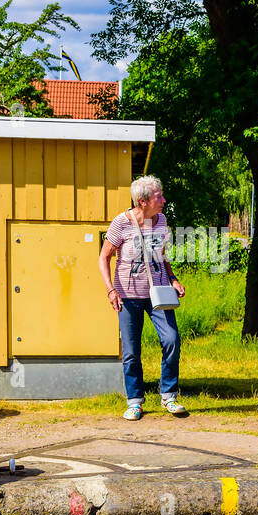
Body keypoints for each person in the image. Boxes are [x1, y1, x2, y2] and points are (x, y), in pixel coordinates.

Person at [98, 175, 187, 421]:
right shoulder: (121, 223)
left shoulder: (162, 221)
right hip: (128, 296)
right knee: (131, 351)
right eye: (159, 196)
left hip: (158, 295)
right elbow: (103, 258)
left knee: (171, 340)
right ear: (142, 201)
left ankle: (169, 396)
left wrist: (173, 279)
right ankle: (135, 401)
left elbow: (162, 256)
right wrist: (110, 290)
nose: (164, 200)